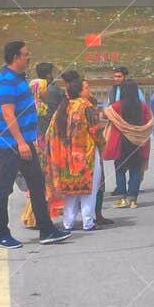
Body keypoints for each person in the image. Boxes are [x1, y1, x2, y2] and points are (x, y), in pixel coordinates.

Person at [0, 41, 70, 249]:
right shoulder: (6, 80)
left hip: (24, 142)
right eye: (26, 54)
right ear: (15, 57)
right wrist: (20, 142)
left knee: (36, 183)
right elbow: (8, 114)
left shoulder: (18, 78)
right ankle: (2, 234)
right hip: (11, 144)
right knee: (4, 187)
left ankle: (46, 229)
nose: (29, 57)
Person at [46, 70, 101, 231]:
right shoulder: (87, 106)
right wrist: (103, 146)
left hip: (66, 156)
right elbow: (96, 131)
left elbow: (52, 132)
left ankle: (68, 222)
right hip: (86, 154)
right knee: (89, 191)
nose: (89, 91)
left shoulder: (63, 107)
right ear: (80, 91)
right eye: (86, 88)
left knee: (71, 192)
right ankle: (88, 222)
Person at [104, 80, 154, 209]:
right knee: (135, 170)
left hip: (120, 142)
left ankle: (122, 199)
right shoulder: (142, 106)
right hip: (137, 142)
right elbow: (149, 120)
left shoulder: (117, 105)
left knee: (120, 169)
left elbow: (105, 114)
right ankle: (133, 200)